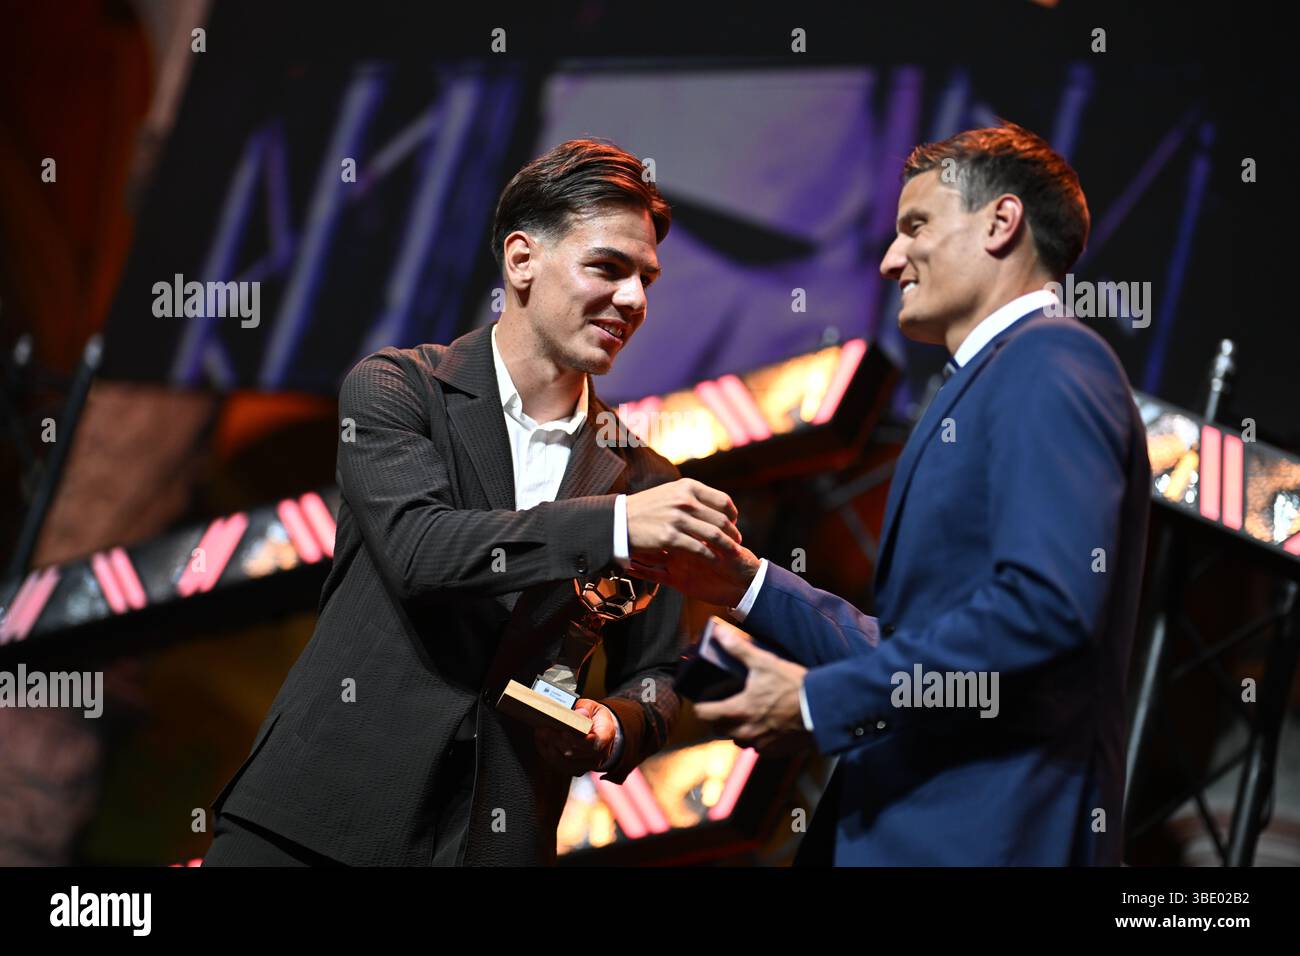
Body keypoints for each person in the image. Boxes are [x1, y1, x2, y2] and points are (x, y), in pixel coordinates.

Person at [204, 139, 740, 866]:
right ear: (522, 260)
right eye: (608, 268)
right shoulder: (398, 389)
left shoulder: (646, 477)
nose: (634, 300)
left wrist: (616, 724)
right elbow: (422, 551)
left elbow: (663, 667)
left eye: (646, 279)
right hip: (314, 818)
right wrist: (610, 524)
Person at [645, 122, 1152, 865]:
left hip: (982, 840)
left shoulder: (1050, 359)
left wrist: (820, 703)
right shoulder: (996, 377)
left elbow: (1041, 613)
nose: (888, 260)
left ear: (1001, 223)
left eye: (916, 226)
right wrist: (744, 582)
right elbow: (923, 653)